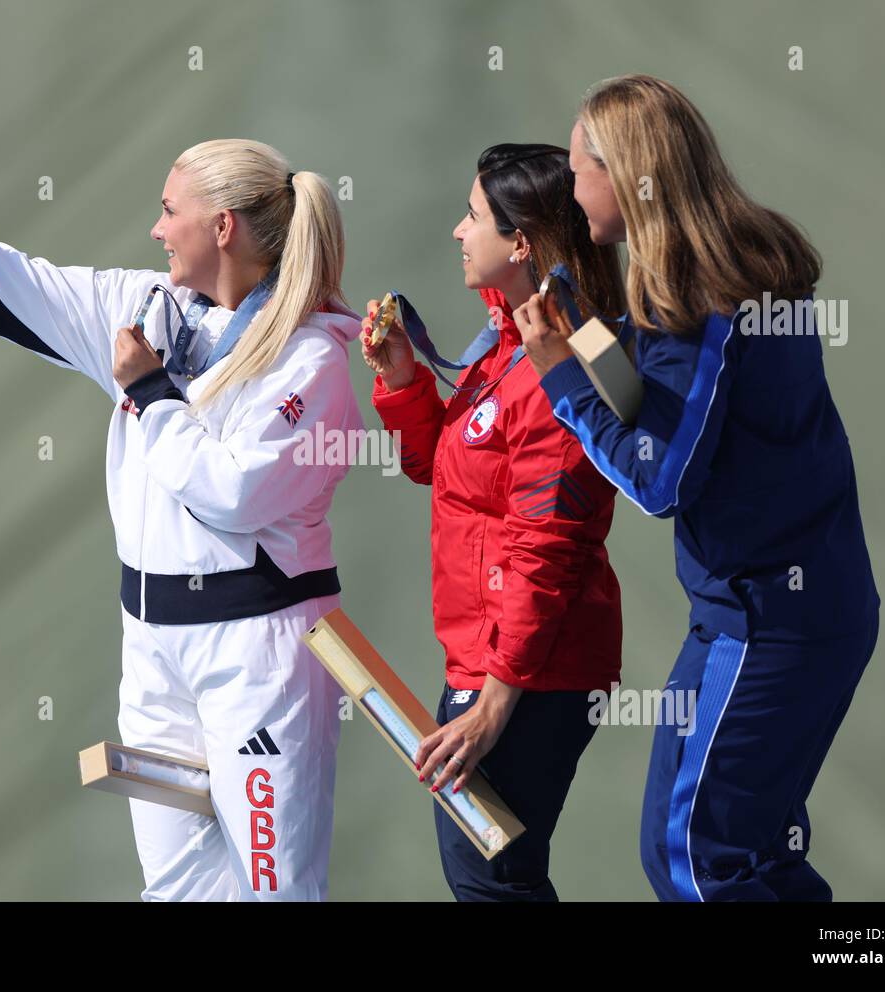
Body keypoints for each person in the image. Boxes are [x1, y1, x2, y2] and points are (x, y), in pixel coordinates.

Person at [0, 139, 364, 901]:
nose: (156, 230)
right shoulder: (144, 308)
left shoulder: (308, 359)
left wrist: (152, 392)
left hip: (257, 656)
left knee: (274, 892)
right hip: (153, 650)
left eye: (168, 211)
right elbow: (17, 288)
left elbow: (236, 492)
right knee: (176, 889)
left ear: (221, 227)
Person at [515, 75, 881, 901]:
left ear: (628, 174)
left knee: (698, 860)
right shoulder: (741, 264)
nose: (571, 192)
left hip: (762, 624)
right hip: (797, 611)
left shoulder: (695, 298)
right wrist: (589, 338)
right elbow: (688, 413)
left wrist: (560, 382)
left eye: (580, 171)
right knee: (746, 858)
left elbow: (662, 477)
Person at [359, 144, 627, 901]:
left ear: (520, 242)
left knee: (493, 884)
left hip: (526, 677)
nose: (456, 231)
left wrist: (495, 700)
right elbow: (445, 469)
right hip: (495, 665)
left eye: (473, 216)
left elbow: (550, 543)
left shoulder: (555, 359)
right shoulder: (510, 343)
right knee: (493, 882)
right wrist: (404, 381)